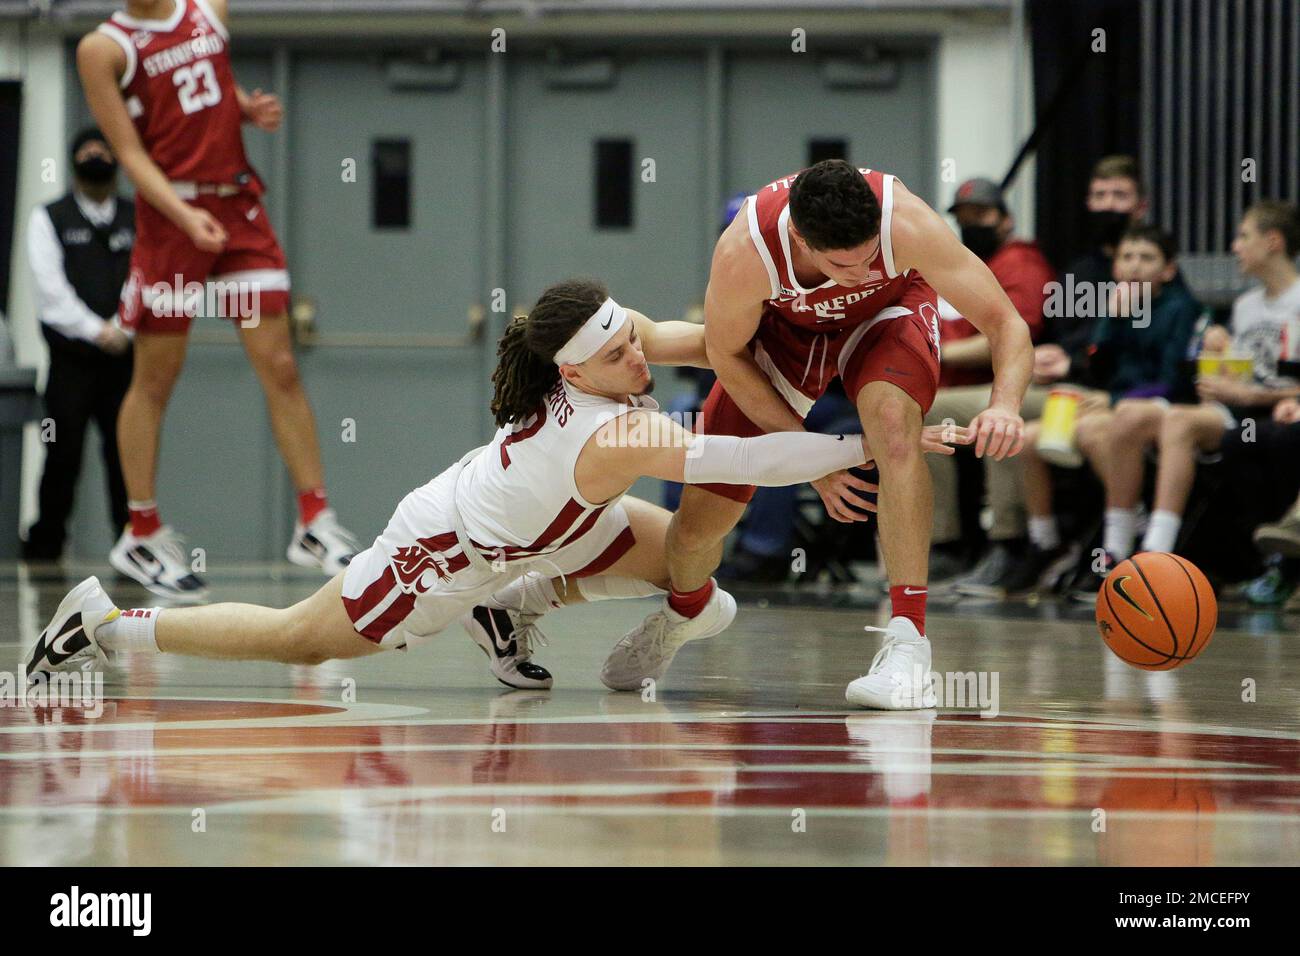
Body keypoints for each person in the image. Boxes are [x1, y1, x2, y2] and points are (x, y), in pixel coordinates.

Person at [26, 279, 971, 688]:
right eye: (620, 353)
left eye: (632, 338)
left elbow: (718, 343)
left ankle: (513, 610)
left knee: (701, 590)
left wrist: (829, 319)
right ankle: (107, 626)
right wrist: (880, 446)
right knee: (298, 643)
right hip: (440, 553)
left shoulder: (603, 358)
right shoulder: (620, 431)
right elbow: (749, 463)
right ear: (576, 373)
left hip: (549, 528)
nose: (641, 355)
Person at [598, 159, 1033, 710]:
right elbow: (725, 355)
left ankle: (908, 642)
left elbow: (1005, 322)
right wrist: (814, 459)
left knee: (895, 430)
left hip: (887, 316)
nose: (857, 271)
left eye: (868, 256)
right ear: (801, 239)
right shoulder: (746, 252)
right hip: (783, 336)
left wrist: (1006, 405)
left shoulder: (905, 222)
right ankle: (686, 609)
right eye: (840, 264)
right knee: (694, 534)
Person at [78, 0, 359, 601]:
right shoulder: (104, 47)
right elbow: (130, 155)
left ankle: (314, 522)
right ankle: (142, 529)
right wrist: (184, 216)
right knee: (157, 377)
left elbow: (210, 92)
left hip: (237, 206)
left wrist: (244, 111)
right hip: (171, 218)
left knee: (280, 365)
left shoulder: (208, 9)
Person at [1096, 202, 1300, 572]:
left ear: (1272, 242)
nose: (1235, 246)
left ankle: (1156, 551)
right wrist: (1219, 364)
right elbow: (1240, 376)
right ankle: (1117, 548)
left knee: (1177, 420)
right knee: (1139, 417)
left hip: (1275, 409)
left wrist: (1254, 394)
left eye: (1243, 236)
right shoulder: (1245, 306)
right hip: (1237, 407)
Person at [1006, 226, 1203, 596]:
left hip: (1162, 405)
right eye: (1127, 257)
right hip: (1117, 401)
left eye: (1146, 259)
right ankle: (1045, 541)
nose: (1134, 267)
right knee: (1028, 437)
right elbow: (1096, 367)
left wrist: (1109, 401)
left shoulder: (1180, 307)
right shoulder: (1118, 303)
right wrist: (1111, 321)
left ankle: (1127, 532)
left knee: (1096, 431)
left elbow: (1176, 378)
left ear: (1168, 270)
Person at [924, 176, 1054, 585]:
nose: (971, 224)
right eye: (963, 217)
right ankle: (943, 543)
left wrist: (933, 353)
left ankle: (1004, 543)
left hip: (1039, 387)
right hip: (967, 385)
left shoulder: (1019, 263)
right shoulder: (968, 264)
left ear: (1005, 219)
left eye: (981, 215)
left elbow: (1012, 337)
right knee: (912, 411)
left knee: (982, 416)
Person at [21, 128, 135, 562]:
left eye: (103, 150)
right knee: (62, 453)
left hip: (125, 360)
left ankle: (133, 546)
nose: (95, 156)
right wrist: (97, 331)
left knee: (126, 454)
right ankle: (47, 545)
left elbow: (152, 277)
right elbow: (50, 292)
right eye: (86, 151)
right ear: (73, 161)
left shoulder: (137, 216)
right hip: (71, 361)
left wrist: (125, 327)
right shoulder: (49, 217)